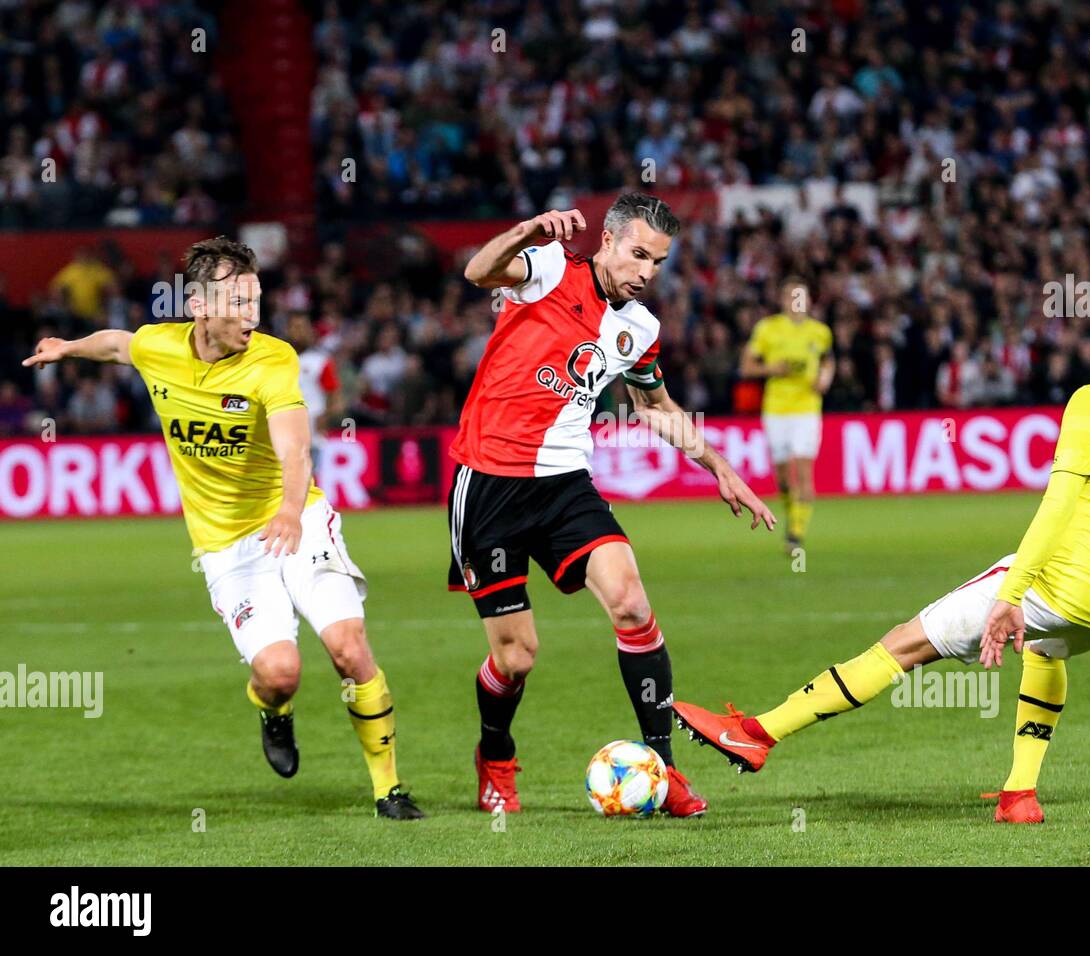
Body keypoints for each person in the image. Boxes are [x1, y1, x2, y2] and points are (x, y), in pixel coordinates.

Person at [674, 296, 1090, 824]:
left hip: (1062, 581)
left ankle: (757, 732)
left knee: (904, 644)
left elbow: (1058, 504)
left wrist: (1012, 595)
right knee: (1046, 649)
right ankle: (1020, 793)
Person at [24, 237, 423, 820]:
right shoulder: (161, 347)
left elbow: (294, 450)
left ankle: (388, 789)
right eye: (239, 302)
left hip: (296, 518)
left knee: (347, 646)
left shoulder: (273, 359)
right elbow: (117, 345)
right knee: (280, 674)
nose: (253, 316)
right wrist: (67, 348)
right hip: (227, 546)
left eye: (256, 300)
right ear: (200, 305)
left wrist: (290, 509)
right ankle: (273, 711)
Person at [454, 192, 775, 816]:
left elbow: (655, 408)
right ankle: (495, 753)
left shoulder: (640, 328)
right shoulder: (547, 266)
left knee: (631, 603)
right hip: (490, 483)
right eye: (637, 255)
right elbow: (478, 271)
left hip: (566, 484)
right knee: (515, 657)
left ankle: (664, 767)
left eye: (657, 263)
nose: (646, 273)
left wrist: (720, 467)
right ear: (607, 241)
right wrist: (524, 230)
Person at [740, 276, 833, 554]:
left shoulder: (819, 332)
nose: (796, 302)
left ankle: (796, 534)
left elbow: (828, 360)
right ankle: (792, 517)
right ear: (782, 301)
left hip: (806, 408)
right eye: (791, 296)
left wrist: (825, 378)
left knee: (804, 471)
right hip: (776, 409)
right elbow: (746, 367)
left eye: (801, 296)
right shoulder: (768, 329)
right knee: (782, 478)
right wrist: (771, 369)